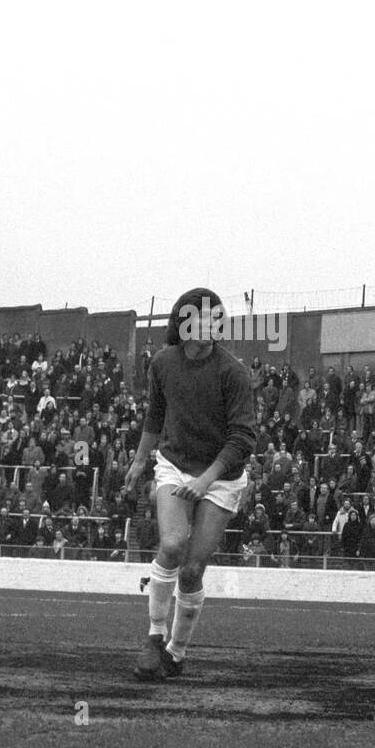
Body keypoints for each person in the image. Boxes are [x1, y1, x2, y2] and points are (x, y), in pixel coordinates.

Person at [125, 289, 256, 681]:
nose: (210, 327)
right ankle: (153, 637)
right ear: (182, 325)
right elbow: (155, 415)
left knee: (193, 570)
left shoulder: (232, 373)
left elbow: (243, 439)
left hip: (221, 477)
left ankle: (176, 653)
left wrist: (206, 480)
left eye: (216, 320)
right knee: (171, 545)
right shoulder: (163, 363)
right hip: (175, 465)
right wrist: (137, 461)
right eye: (202, 320)